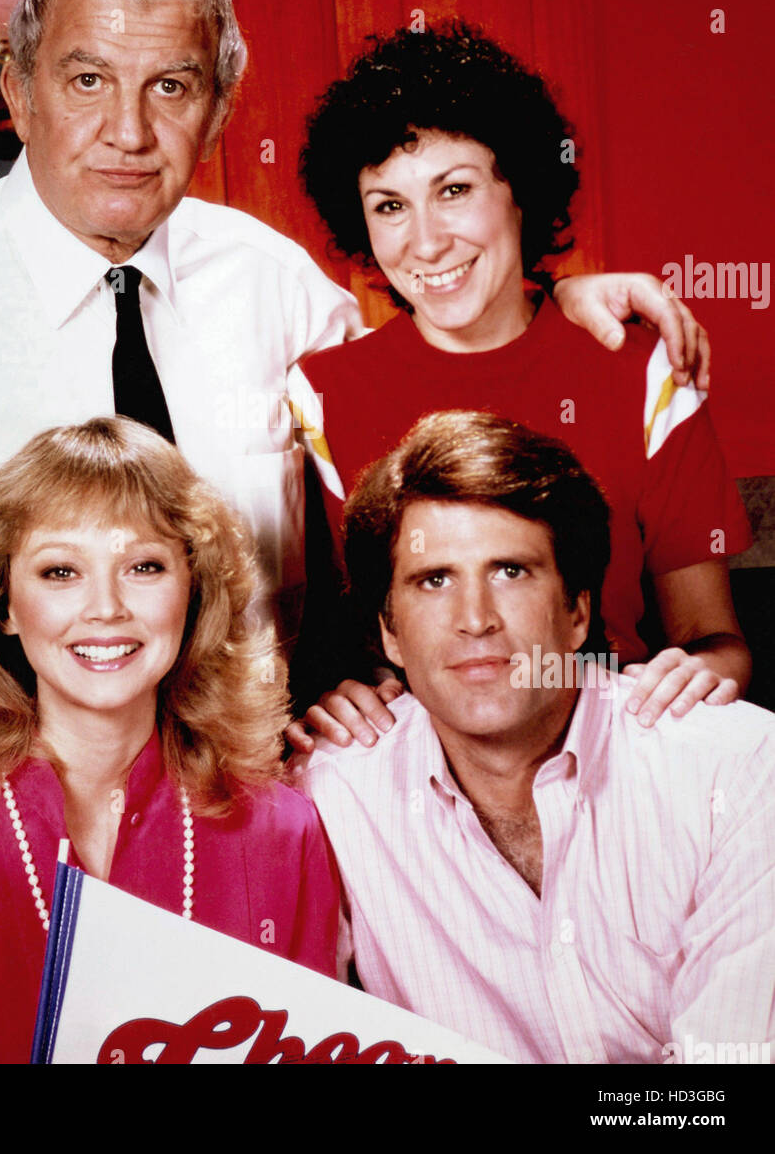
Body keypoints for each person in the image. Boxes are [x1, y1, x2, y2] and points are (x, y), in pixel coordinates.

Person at [0, 0, 707, 861]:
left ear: (216, 108)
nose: (127, 131)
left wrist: (557, 292)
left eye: (169, 86)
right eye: (86, 79)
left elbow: (437, 378)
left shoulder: (274, 282)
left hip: (256, 839)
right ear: (18, 88)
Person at [0, 417, 339, 1064]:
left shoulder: (285, 836)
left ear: (193, 590)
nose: (105, 608)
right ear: (3, 604)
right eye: (61, 572)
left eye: (143, 566)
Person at [288, 23, 751, 751]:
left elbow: (712, 637)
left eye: (455, 190)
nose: (426, 241)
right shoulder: (322, 394)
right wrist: (342, 691)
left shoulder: (639, 369)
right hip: (428, 782)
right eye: (389, 206)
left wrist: (700, 676)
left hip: (620, 751)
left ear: (520, 192)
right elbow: (367, 648)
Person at [297, 410, 775, 1065]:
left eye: (510, 572)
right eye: (433, 580)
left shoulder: (736, 768)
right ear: (388, 633)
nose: (474, 620)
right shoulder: (330, 794)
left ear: (577, 612)